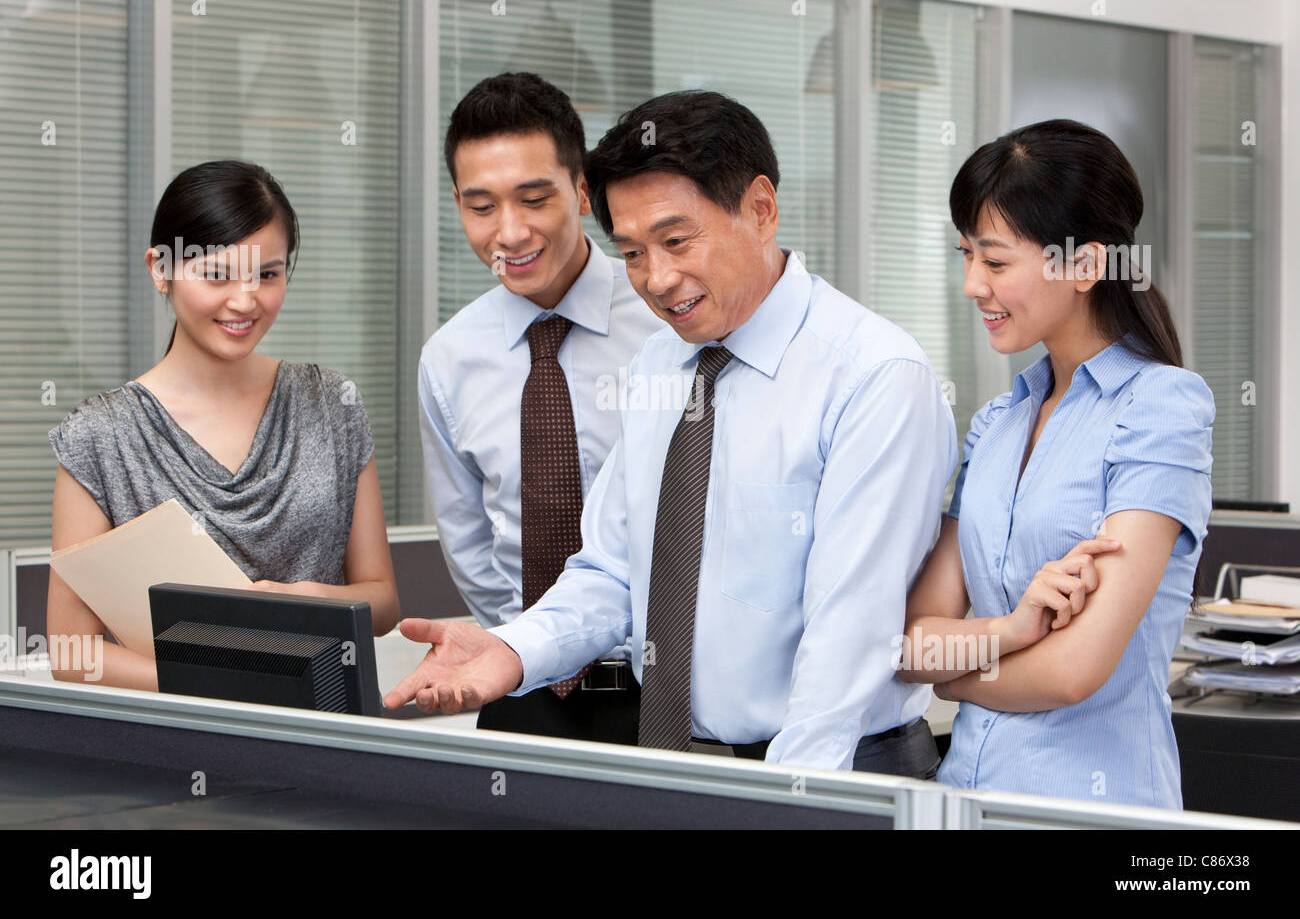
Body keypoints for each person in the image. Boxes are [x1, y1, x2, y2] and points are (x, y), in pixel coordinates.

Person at [388, 91, 958, 774]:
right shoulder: (662, 363)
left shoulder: (873, 376)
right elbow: (612, 570)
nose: (656, 279)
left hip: (824, 776)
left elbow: (852, 629)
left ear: (760, 209)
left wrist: (789, 800)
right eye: (631, 252)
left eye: (676, 240)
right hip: (682, 768)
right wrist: (514, 650)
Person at [897, 119, 1214, 807]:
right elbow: (914, 642)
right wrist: (1011, 632)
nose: (971, 284)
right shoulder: (996, 424)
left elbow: (1074, 671)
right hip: (965, 803)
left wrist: (955, 677)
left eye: (996, 261)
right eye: (965, 256)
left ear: (1086, 264)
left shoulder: (1162, 409)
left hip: (1093, 811)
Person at [47, 160, 400, 691]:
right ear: (160, 268)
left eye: (268, 274)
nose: (245, 300)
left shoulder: (333, 405)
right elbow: (72, 654)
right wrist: (220, 679)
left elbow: (383, 602)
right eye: (216, 275)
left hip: (324, 726)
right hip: (173, 737)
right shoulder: (99, 436)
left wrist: (307, 599)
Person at [419, 73, 664, 744]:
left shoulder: (667, 320)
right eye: (481, 206)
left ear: (583, 191)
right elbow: (469, 537)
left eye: (534, 198)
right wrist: (528, 651)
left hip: (663, 689)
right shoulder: (449, 358)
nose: (510, 232)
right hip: (522, 694)